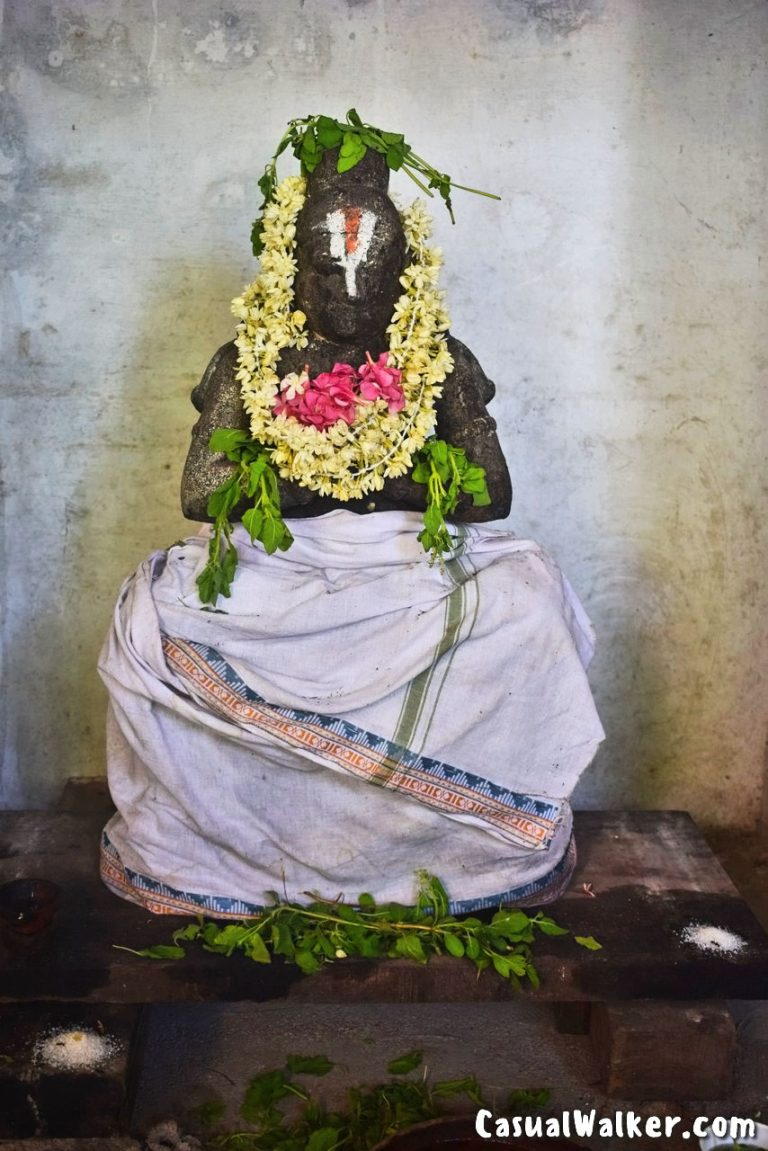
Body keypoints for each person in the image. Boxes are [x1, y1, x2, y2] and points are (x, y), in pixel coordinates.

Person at [99, 149, 603, 918]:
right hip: (279, 563)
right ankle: (247, 842)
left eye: (373, 272)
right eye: (329, 274)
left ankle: (452, 845)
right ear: (292, 272)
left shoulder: (442, 360)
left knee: (529, 605)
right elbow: (201, 492)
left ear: (404, 273)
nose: (351, 293)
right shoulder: (249, 360)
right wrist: (324, 481)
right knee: (154, 612)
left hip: (409, 563)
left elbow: (492, 491)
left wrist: (380, 480)